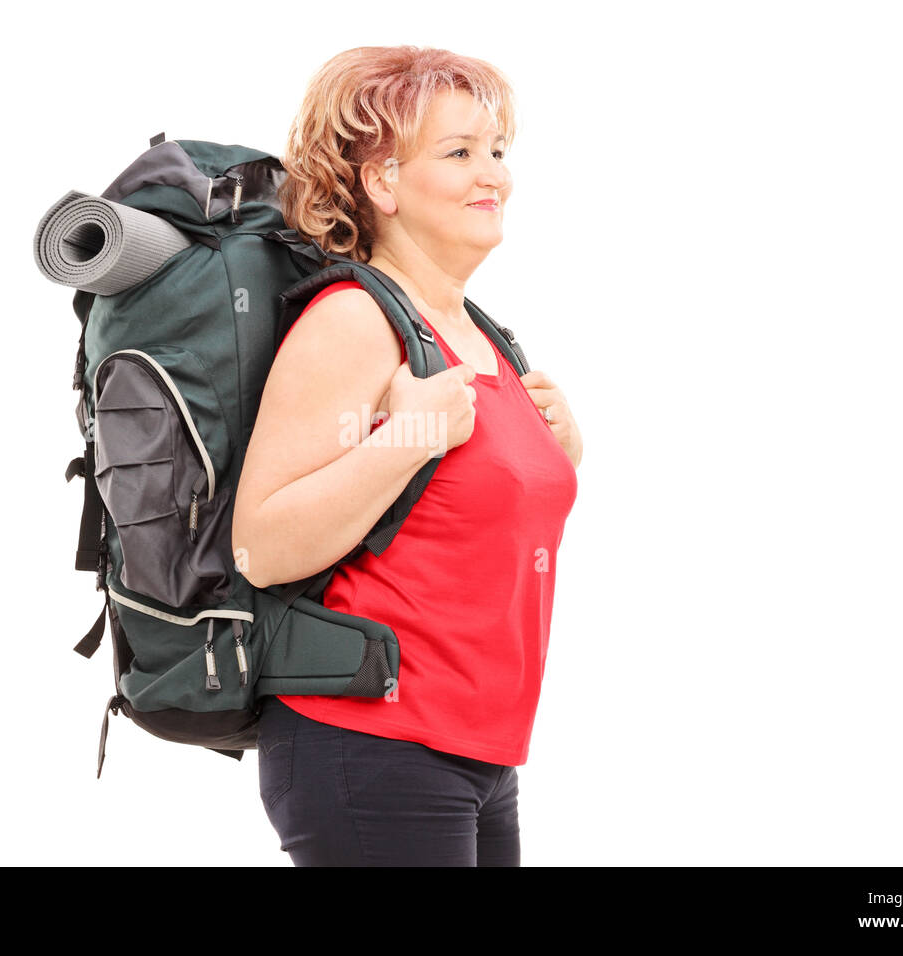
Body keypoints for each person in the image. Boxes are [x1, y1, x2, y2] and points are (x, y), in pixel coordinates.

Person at [232, 45, 582, 866]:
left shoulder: (481, 334)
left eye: (496, 150)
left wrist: (558, 450)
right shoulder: (353, 320)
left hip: (479, 752)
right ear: (382, 183)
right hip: (373, 743)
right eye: (458, 153)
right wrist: (410, 435)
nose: (491, 173)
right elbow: (261, 544)